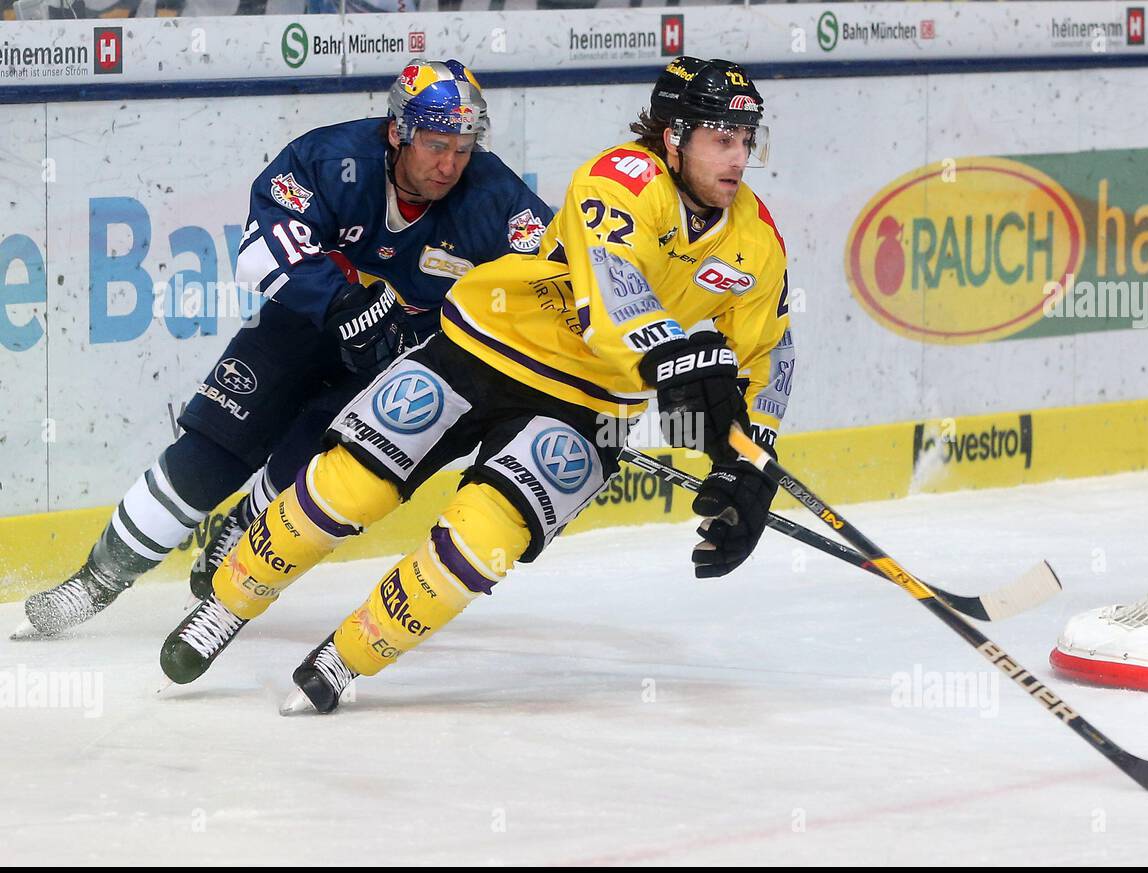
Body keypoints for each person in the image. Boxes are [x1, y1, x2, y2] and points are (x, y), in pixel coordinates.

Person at [157, 56, 797, 715]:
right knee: (350, 483)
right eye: (722, 138)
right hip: (485, 346)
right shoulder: (621, 178)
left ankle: (345, 658)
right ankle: (227, 605)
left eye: (747, 140)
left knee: (479, 543)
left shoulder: (757, 240)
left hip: (592, 408)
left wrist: (750, 462)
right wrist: (672, 354)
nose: (739, 158)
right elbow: (614, 291)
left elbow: (769, 355)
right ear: (674, 136)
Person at [10, 59, 552, 641]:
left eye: (463, 147)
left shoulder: (495, 195)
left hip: (392, 361)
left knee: (309, 476)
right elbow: (257, 252)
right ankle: (95, 582)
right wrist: (343, 304)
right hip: (299, 328)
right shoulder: (327, 160)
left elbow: (552, 288)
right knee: (210, 454)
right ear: (399, 131)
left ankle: (246, 526)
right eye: (436, 144)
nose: (450, 164)